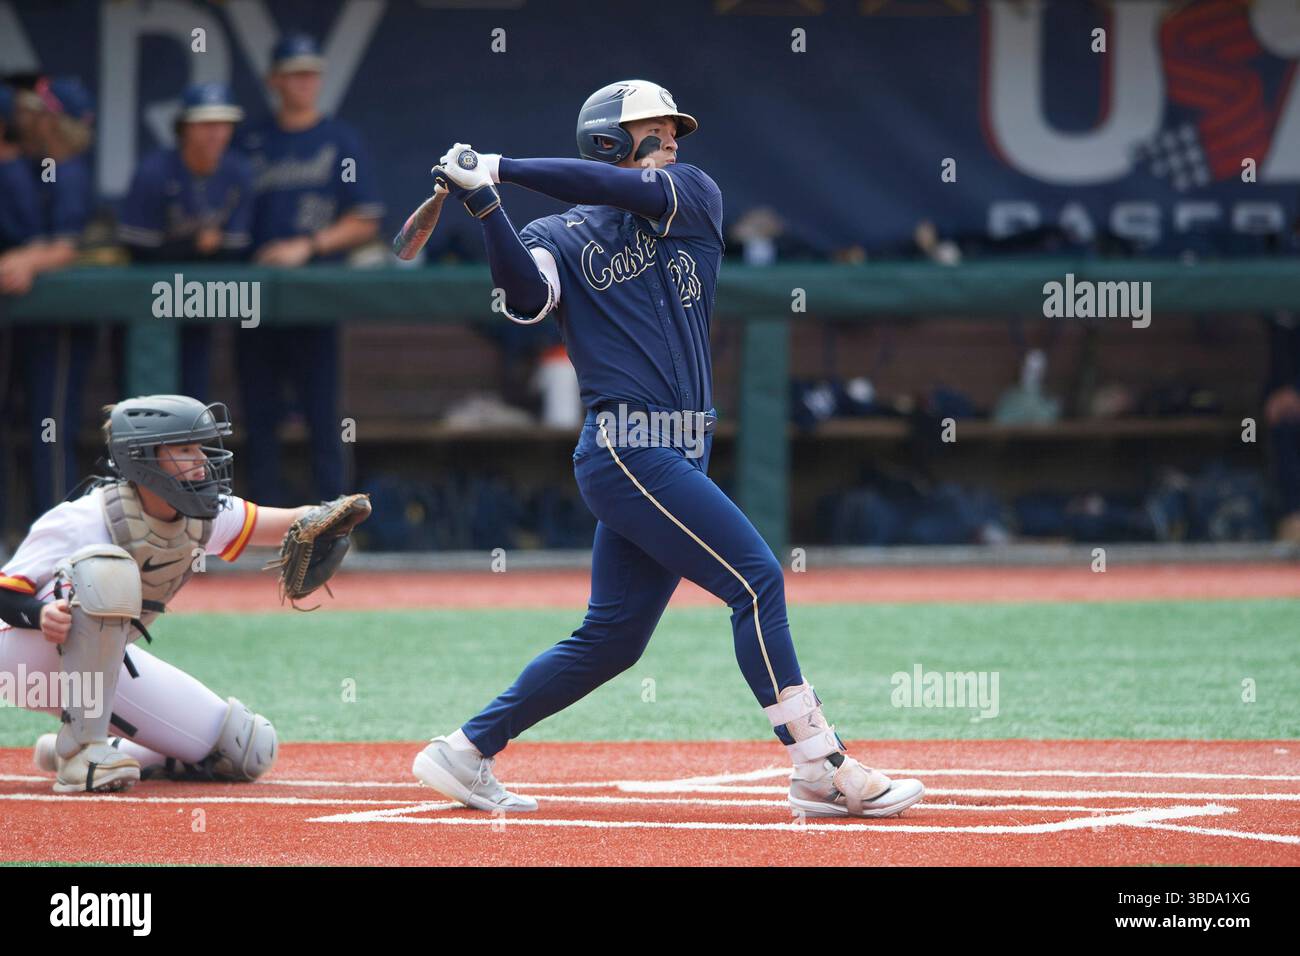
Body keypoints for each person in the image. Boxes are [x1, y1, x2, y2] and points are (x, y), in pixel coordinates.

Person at [409, 80, 924, 819]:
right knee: (756, 582)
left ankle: (464, 750)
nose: (673, 139)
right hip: (627, 445)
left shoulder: (691, 193)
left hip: (678, 452)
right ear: (607, 140)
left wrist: (504, 165)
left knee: (614, 637)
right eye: (654, 129)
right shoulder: (557, 235)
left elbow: (631, 188)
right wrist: (487, 205)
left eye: (671, 129)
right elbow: (524, 300)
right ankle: (819, 765)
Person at [0, 395, 352, 793]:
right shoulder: (83, 518)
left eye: (201, 446)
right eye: (186, 448)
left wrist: (334, 517)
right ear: (143, 457)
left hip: (97, 662)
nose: (202, 459)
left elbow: (288, 523)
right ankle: (81, 753)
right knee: (104, 571)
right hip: (19, 658)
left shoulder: (201, 514)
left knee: (246, 747)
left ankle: (94, 746)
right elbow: (6, 593)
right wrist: (40, 614)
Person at [237, 33, 384, 505]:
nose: (305, 83)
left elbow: (365, 220)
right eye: (295, 73)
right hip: (256, 295)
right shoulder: (251, 141)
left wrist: (309, 244)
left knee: (323, 412)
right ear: (274, 79)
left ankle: (333, 519)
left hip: (316, 292)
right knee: (259, 413)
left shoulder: (339, 138)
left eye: (311, 73)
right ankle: (261, 519)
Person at [117, 82, 254, 402]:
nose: (216, 133)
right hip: (147, 303)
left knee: (193, 399)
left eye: (223, 124)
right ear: (184, 128)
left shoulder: (238, 171)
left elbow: (235, 248)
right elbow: (138, 248)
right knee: (143, 403)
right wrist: (195, 245)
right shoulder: (153, 172)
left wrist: (195, 247)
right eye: (206, 124)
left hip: (199, 299)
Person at [0, 76, 97, 520]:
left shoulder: (69, 170)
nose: (29, 119)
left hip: (61, 321)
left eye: (39, 112)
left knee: (52, 428)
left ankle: (58, 535)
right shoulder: (34, 167)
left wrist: (28, 261)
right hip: (26, 321)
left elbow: (67, 245)